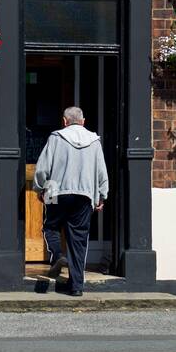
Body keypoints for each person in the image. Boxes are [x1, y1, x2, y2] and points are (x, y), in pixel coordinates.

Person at [33, 105, 109, 296]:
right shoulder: (94, 140)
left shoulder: (56, 137)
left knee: (50, 227)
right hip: (84, 193)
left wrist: (39, 188)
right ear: (83, 122)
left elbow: (43, 168)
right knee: (78, 239)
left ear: (64, 121)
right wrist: (101, 194)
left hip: (54, 190)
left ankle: (58, 256)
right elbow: (101, 171)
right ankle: (76, 287)